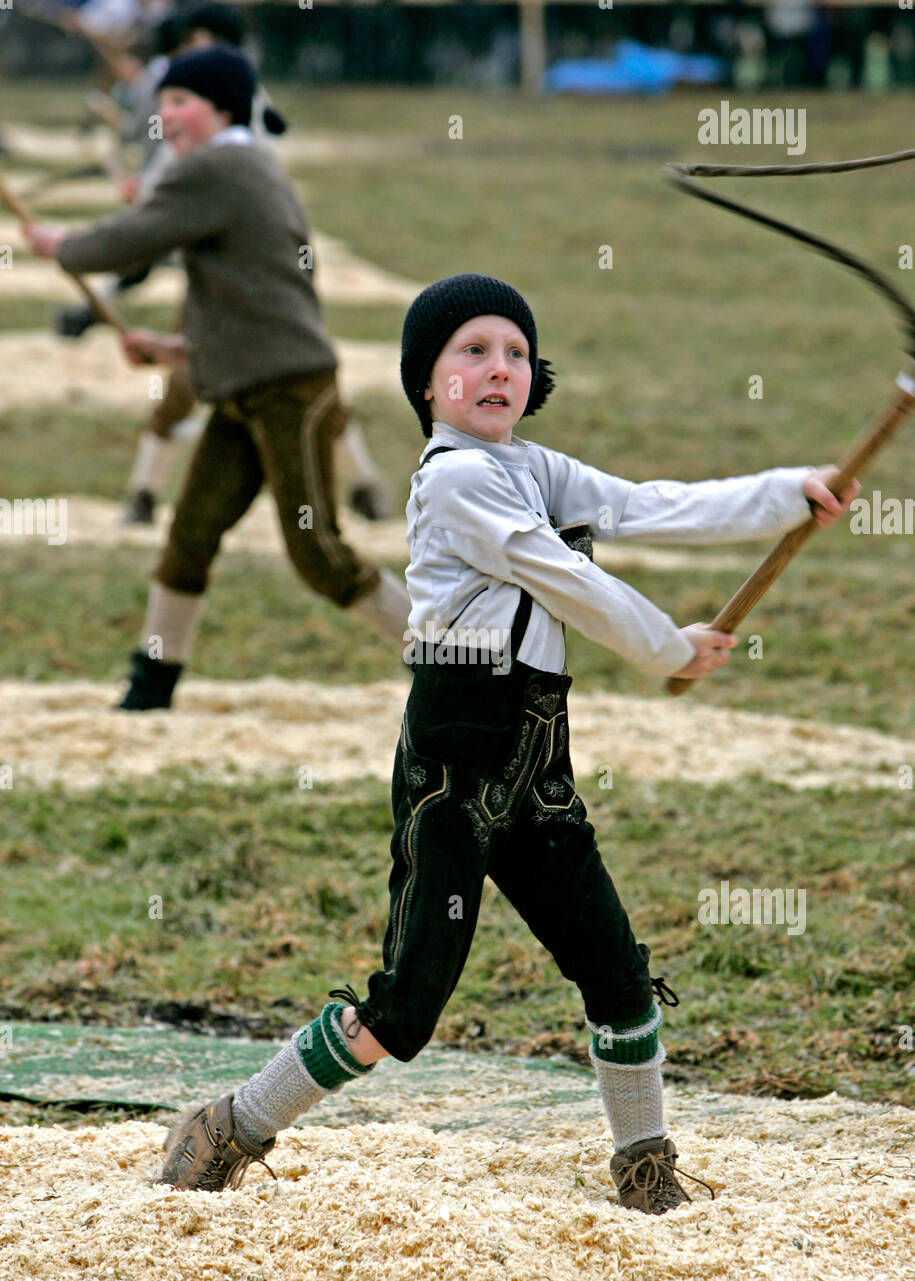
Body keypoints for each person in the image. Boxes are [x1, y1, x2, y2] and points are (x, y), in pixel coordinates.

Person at [150, 272, 858, 1213]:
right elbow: (562, 576)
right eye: (471, 352)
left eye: (517, 353)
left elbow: (652, 505)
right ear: (427, 383)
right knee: (403, 1011)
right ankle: (231, 1125)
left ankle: (645, 1172)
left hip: (537, 765)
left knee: (616, 972)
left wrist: (785, 493)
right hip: (454, 763)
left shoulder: (533, 466)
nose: (500, 369)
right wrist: (667, 648)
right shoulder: (453, 481)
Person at [25, 46, 409, 710]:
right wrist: (176, 348)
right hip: (242, 390)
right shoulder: (245, 164)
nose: (165, 115)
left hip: (290, 391)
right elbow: (247, 294)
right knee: (189, 537)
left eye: (181, 103)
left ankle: (452, 665)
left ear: (222, 107)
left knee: (317, 552)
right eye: (163, 102)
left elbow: (132, 238)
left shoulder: (218, 166)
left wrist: (65, 246)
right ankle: (151, 686)